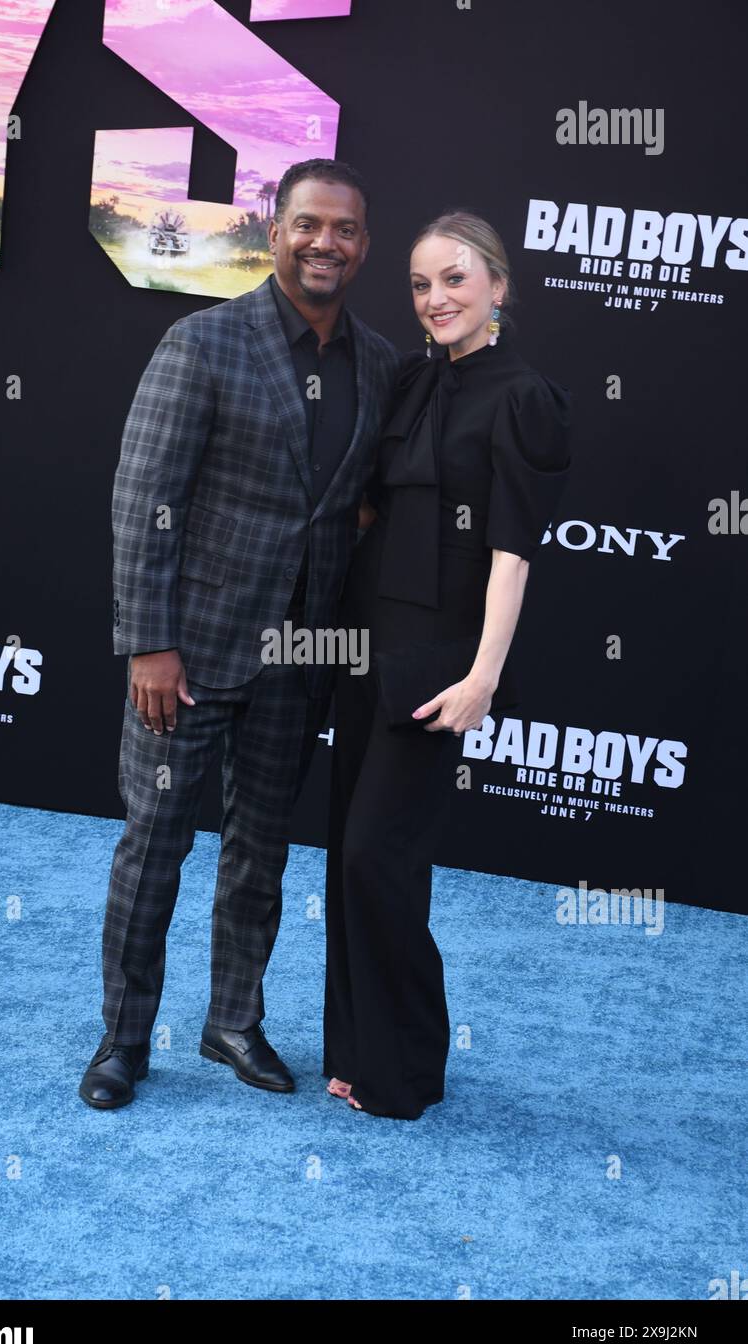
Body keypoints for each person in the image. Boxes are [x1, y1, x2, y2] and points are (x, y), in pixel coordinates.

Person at [79, 159, 400, 1109]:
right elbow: (146, 498)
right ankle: (123, 1042)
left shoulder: (380, 365)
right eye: (308, 225)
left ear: (364, 245)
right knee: (155, 846)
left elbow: (363, 502)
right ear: (275, 234)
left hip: (300, 664)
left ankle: (232, 1023)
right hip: (190, 658)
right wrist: (148, 642)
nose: (325, 243)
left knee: (262, 848)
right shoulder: (202, 342)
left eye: (344, 229)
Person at [323, 210, 572, 1120]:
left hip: (438, 660)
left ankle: (409, 1067)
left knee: (373, 858)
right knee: (347, 853)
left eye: (457, 280)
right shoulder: (412, 381)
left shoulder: (524, 397)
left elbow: (513, 555)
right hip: (364, 645)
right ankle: (354, 1048)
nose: (437, 299)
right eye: (423, 284)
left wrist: (482, 678)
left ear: (499, 286)